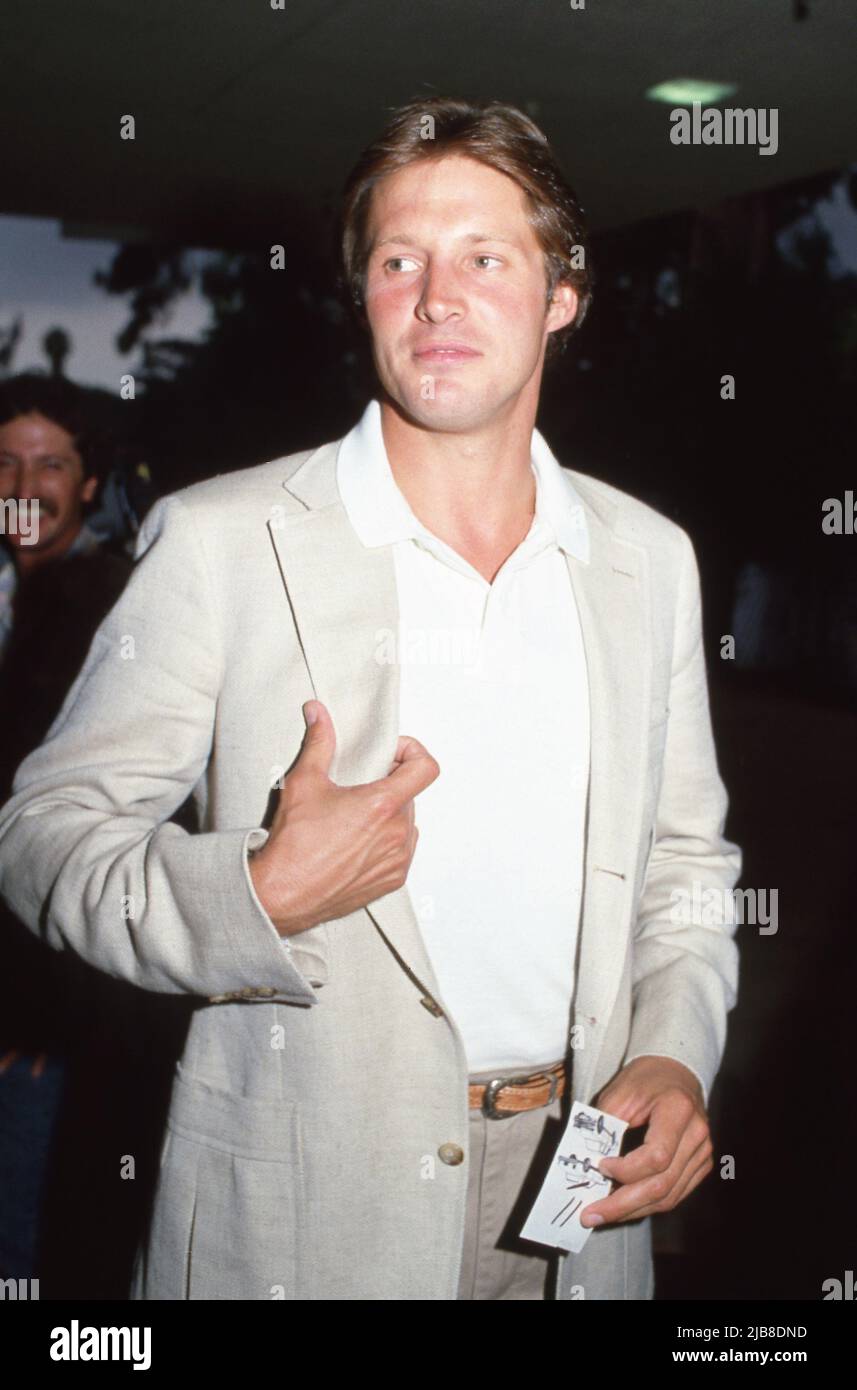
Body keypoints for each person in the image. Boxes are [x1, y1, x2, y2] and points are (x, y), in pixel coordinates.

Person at [0, 97, 741, 1301]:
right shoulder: (222, 541)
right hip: (300, 1207)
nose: (436, 295)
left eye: (484, 257)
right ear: (365, 297)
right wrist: (251, 894)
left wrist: (672, 1049)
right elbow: (41, 839)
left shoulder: (645, 559)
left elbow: (683, 860)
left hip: (581, 1203)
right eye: (400, 261)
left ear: (562, 296)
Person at [0, 373, 136, 1287]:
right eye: (5, 462)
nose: (24, 486)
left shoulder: (102, 603)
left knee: (35, 1246)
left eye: (52, 464)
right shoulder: (17, 590)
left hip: (49, 1002)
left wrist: (35, 1006)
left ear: (90, 484)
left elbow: (91, 822)